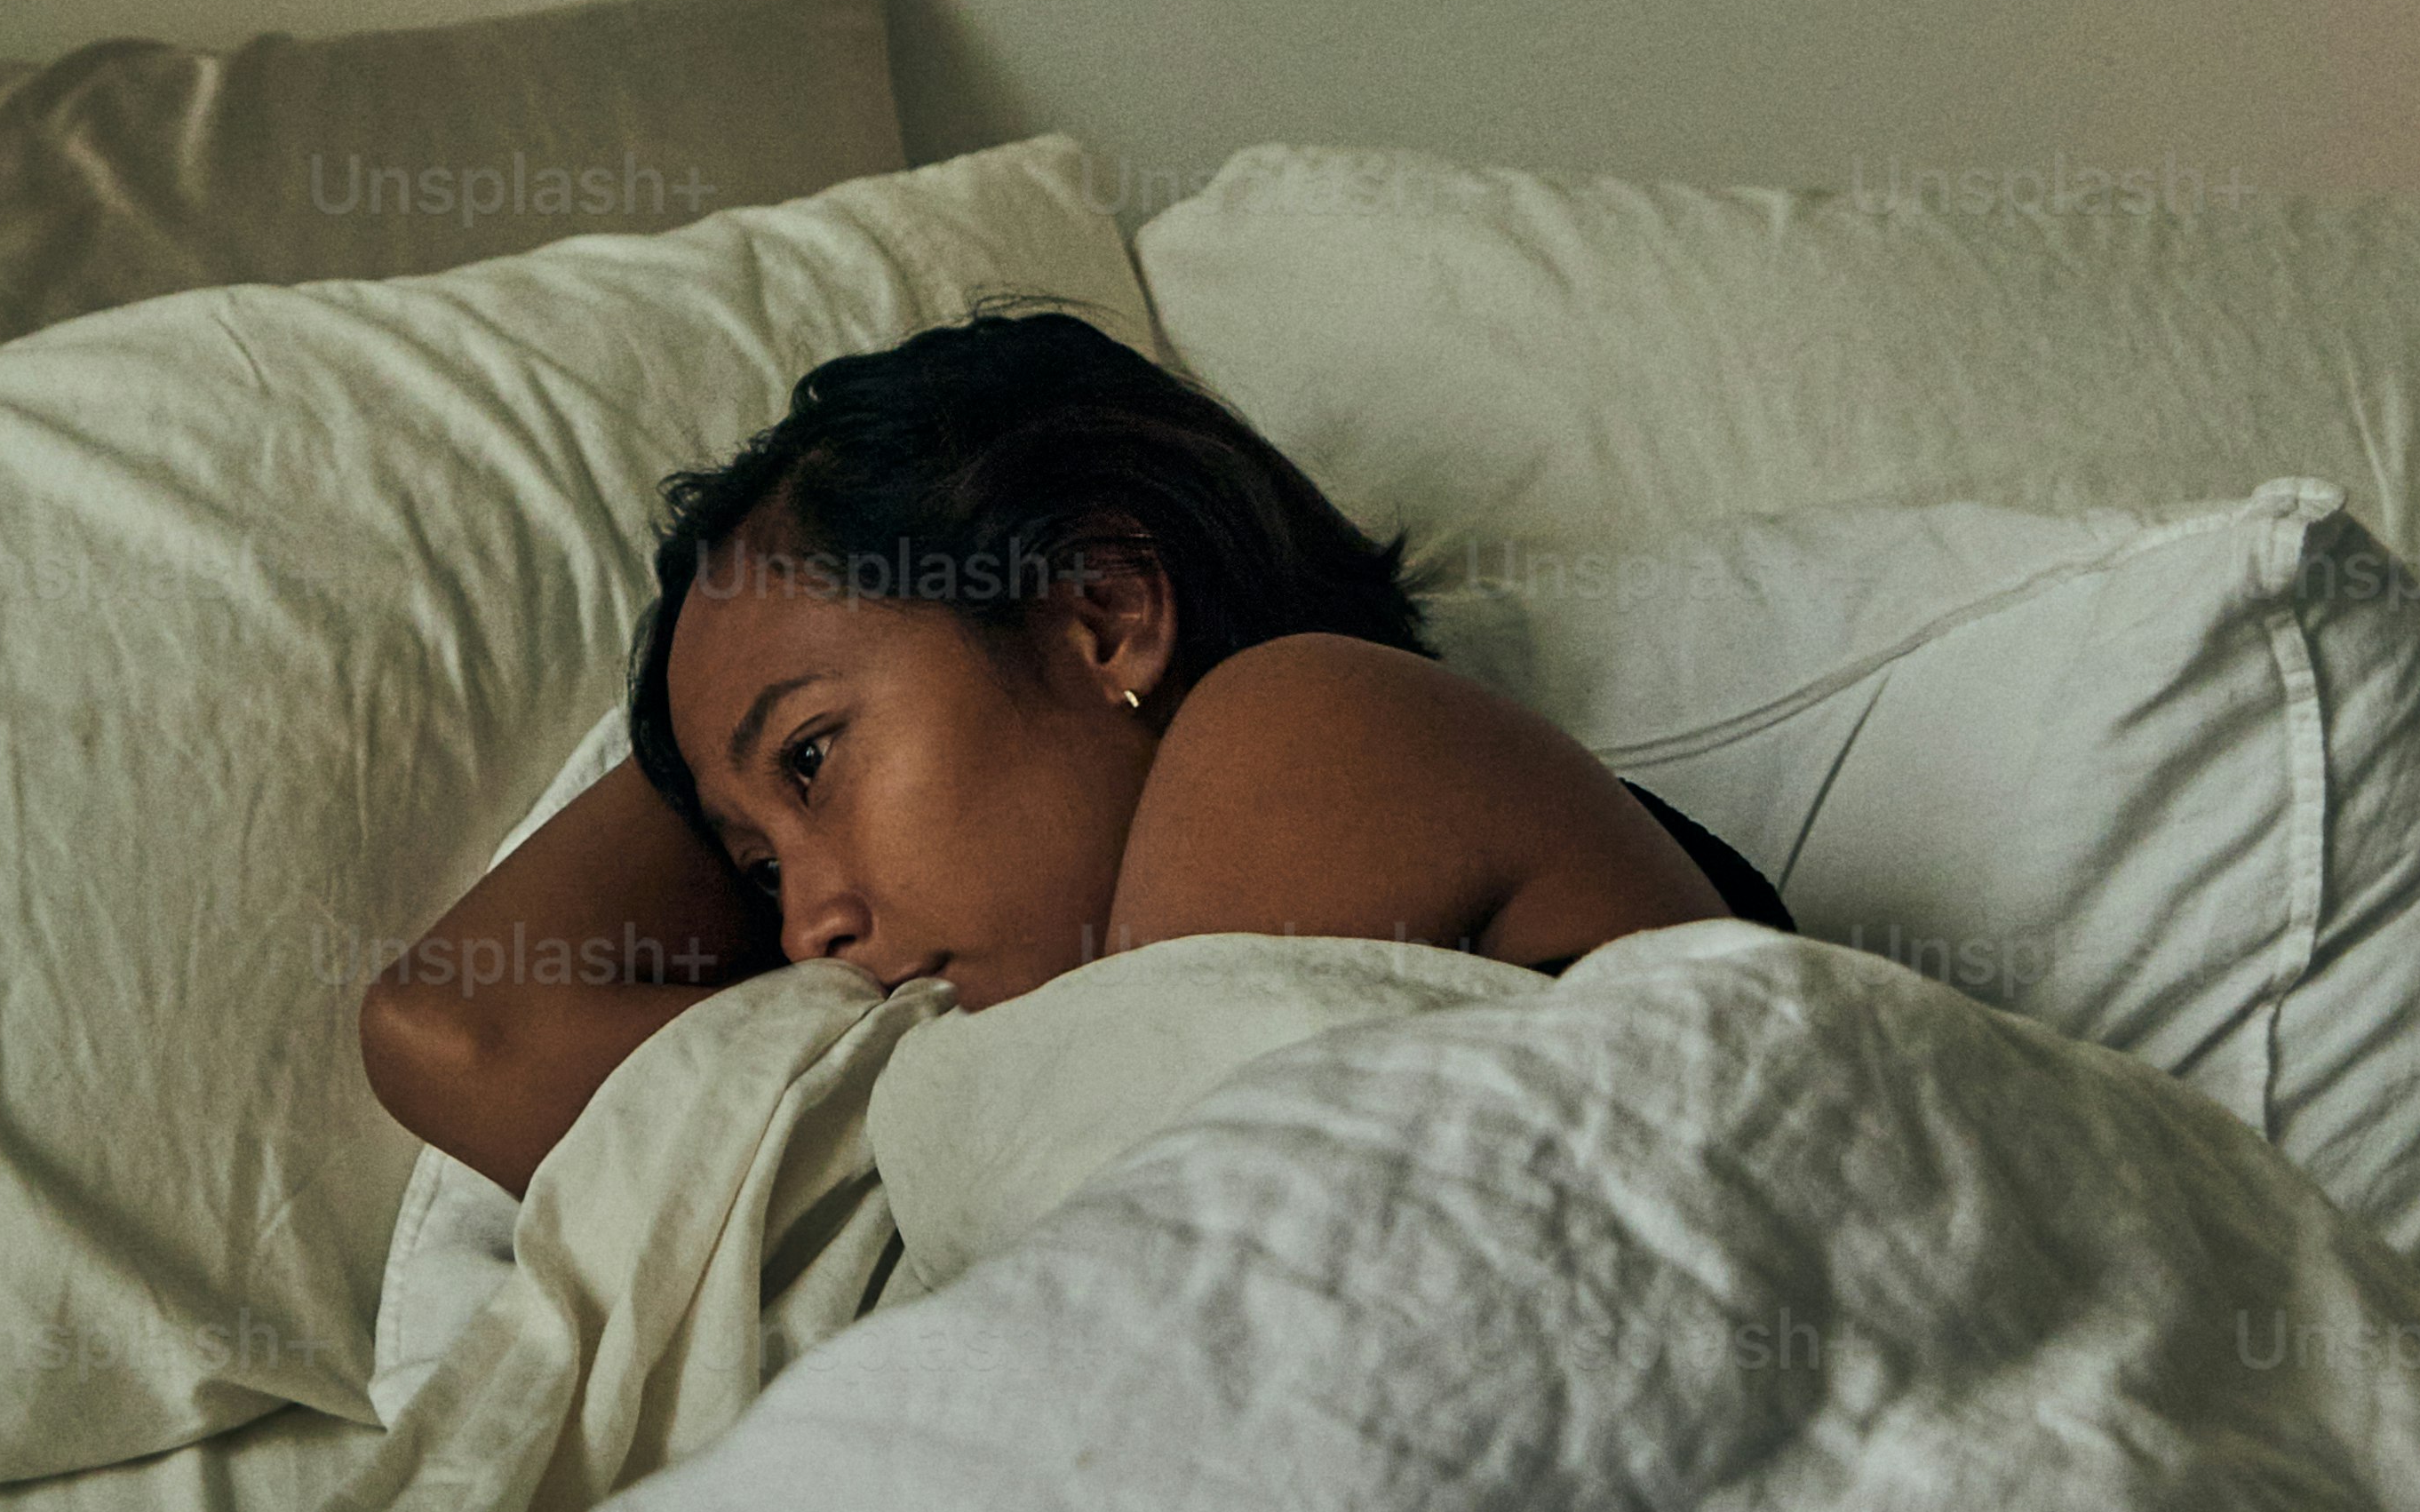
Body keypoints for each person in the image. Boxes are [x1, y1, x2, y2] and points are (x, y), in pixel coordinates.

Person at [357, 301, 1794, 1200]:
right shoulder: (988, 1078)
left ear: (1103, 613)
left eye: (811, 760)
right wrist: (725, 738)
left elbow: (1140, 1310)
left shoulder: (1313, 721)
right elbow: (461, 1030)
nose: (802, 930)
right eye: (755, 870)